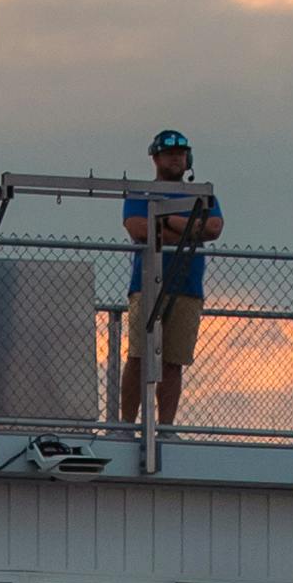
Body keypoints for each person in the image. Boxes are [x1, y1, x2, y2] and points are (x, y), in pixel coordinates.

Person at [115, 127, 222, 428]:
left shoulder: (202, 193)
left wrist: (163, 218)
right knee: (139, 356)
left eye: (180, 154)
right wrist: (189, 229)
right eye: (169, 154)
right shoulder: (140, 192)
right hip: (146, 284)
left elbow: (213, 228)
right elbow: (139, 229)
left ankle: (165, 428)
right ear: (156, 159)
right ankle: (126, 425)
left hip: (188, 287)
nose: (176, 159)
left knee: (174, 362)